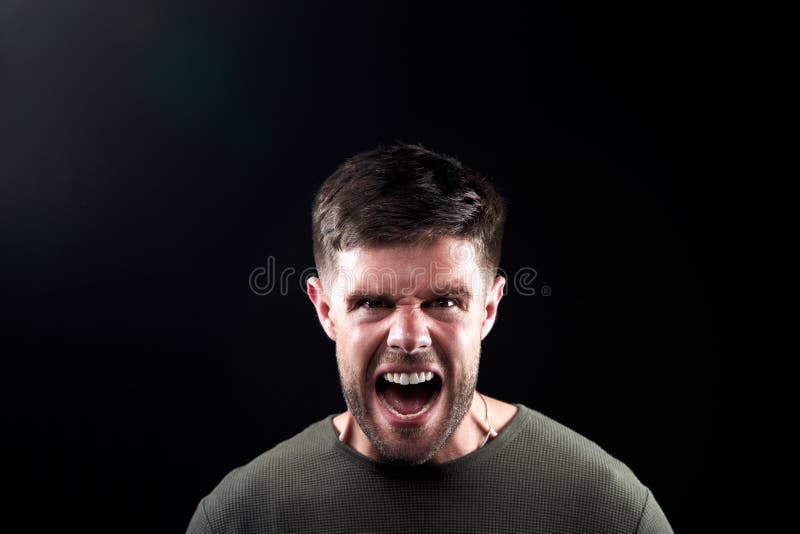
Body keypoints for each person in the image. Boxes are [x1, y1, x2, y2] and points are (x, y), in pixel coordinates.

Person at [187, 143, 673, 533]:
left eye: (443, 302)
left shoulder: (607, 511)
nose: (409, 337)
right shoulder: (240, 517)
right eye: (373, 303)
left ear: (488, 308)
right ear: (325, 310)